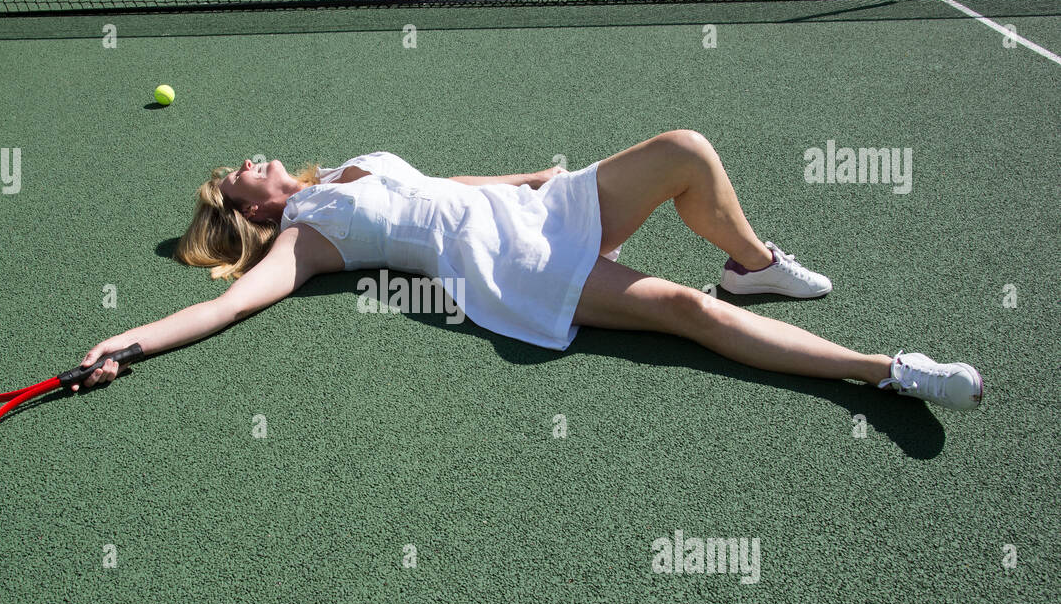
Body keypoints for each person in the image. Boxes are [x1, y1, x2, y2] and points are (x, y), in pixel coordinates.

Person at [72, 132, 983, 410]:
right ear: (247, 208)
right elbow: (227, 310)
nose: (254, 158)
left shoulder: (347, 167)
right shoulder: (302, 243)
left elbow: (440, 183)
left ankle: (753, 266)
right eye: (240, 172)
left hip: (530, 208)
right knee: (678, 308)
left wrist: (531, 175)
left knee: (685, 152)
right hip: (506, 266)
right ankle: (887, 369)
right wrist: (130, 339)